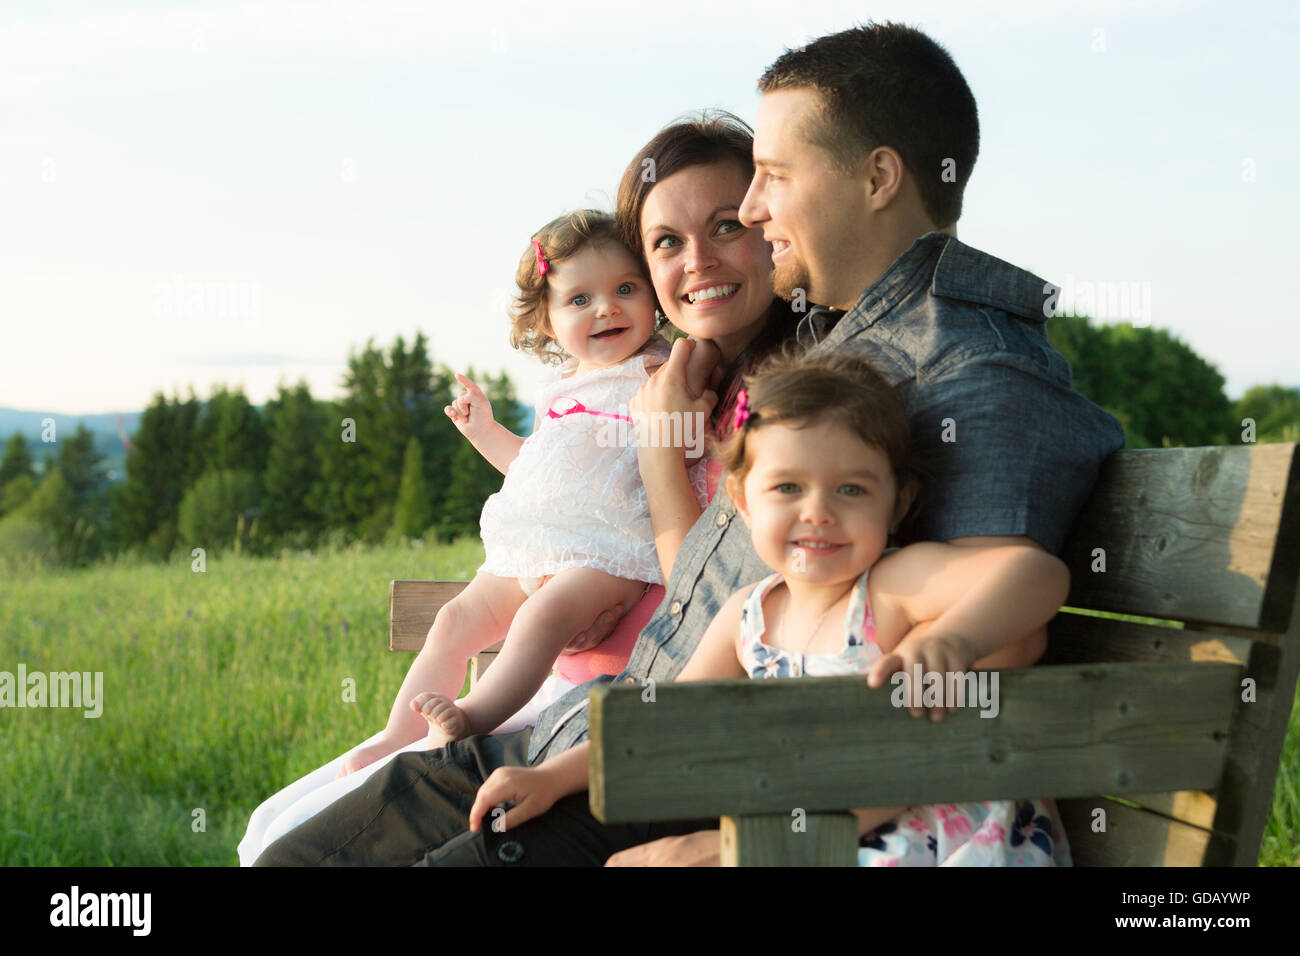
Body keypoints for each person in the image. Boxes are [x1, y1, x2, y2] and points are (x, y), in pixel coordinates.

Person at [254, 22, 1124, 868]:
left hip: (696, 782)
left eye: (774, 177)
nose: (753, 207)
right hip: (605, 741)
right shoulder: (829, 354)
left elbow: (991, 669)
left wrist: (734, 846)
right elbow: (711, 606)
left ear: (880, 177)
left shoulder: (976, 373)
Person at [467, 350, 1074, 865]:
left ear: (898, 501)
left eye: (852, 489)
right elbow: (663, 722)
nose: (818, 512)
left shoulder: (890, 587)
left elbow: (1036, 573)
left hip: (934, 841)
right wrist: (551, 778)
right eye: (787, 487)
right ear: (742, 499)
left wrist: (955, 639)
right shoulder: (748, 616)